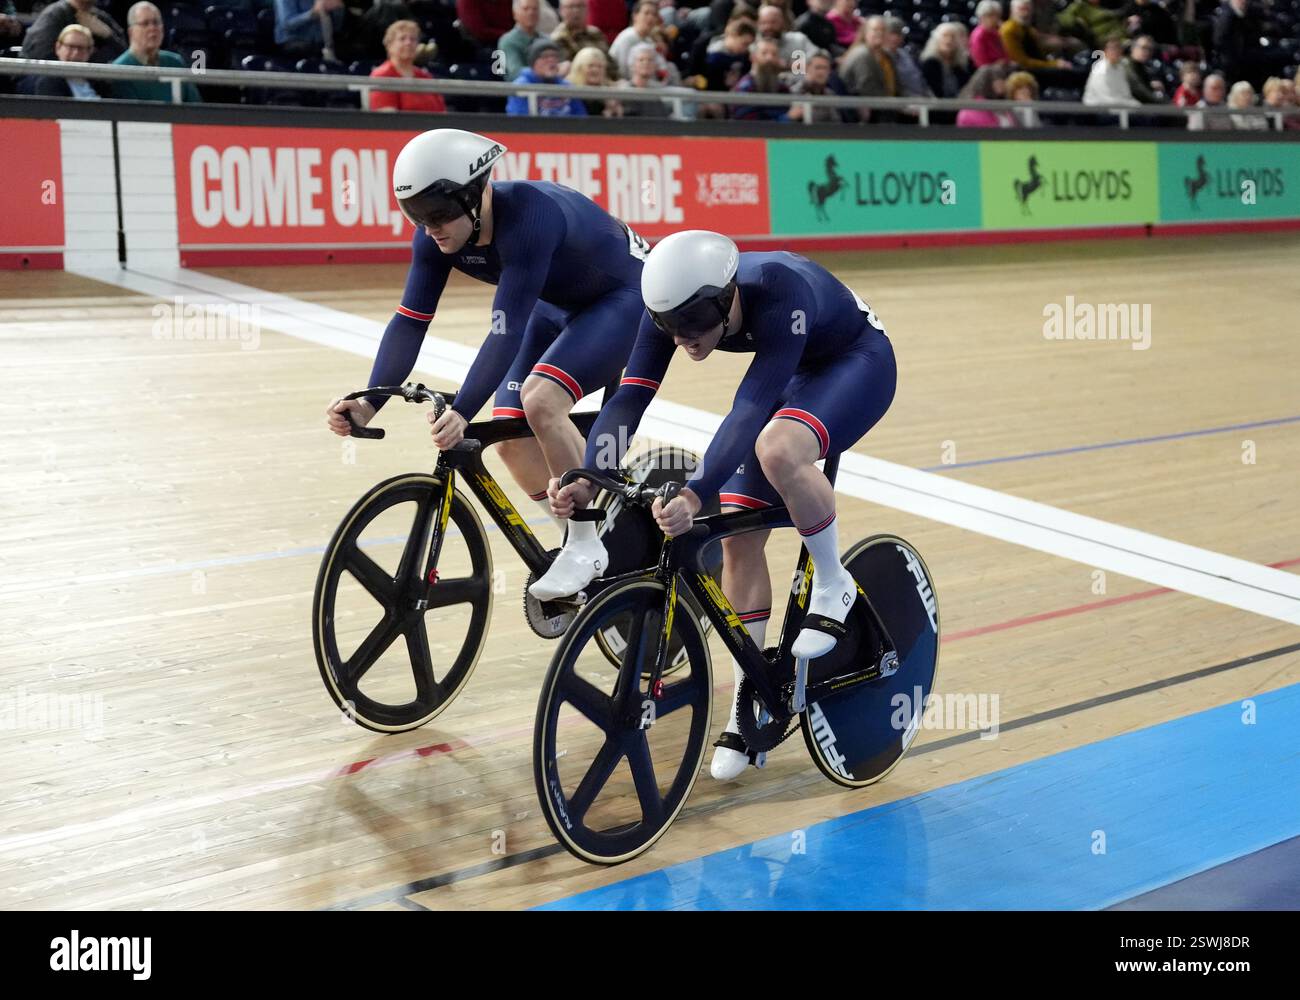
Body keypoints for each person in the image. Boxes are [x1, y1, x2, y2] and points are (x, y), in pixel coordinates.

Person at [543, 231, 897, 780]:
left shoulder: (781, 291)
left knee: (778, 448)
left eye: (696, 320)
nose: (684, 337)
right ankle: (749, 699)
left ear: (728, 293)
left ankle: (833, 580)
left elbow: (751, 405)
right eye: (671, 326)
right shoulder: (666, 307)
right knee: (736, 533)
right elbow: (630, 396)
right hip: (798, 373)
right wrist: (591, 474)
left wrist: (692, 492)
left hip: (858, 363)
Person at [326, 129, 647, 571]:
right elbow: (410, 320)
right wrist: (369, 400)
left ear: (476, 195)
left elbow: (505, 330)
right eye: (415, 215)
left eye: (437, 213)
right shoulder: (435, 237)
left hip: (624, 298)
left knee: (541, 400)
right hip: (555, 304)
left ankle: (588, 544)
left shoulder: (530, 218)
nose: (429, 227)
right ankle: (575, 533)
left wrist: (462, 408)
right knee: (509, 438)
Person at [111, 3, 201, 102]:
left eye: (156, 22)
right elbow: (131, 114)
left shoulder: (175, 62)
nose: (152, 28)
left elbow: (196, 106)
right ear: (131, 32)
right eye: (145, 23)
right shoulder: (119, 70)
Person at [369, 20, 447, 112]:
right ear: (389, 45)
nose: (408, 43)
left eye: (413, 39)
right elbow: (387, 119)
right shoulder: (382, 76)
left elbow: (441, 112)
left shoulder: (425, 77)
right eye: (402, 39)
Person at [21, 0, 126, 63]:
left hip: (87, 82)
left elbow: (126, 54)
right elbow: (40, 57)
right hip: (44, 79)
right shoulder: (54, 15)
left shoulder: (100, 18)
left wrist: (108, 35)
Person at [506, 37, 588, 115]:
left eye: (554, 56)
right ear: (533, 63)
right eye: (545, 56)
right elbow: (519, 122)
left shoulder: (567, 87)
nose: (551, 60)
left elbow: (581, 119)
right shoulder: (521, 86)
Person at [731, 34, 803, 121]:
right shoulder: (745, 88)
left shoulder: (783, 89)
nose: (769, 58)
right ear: (753, 57)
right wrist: (787, 118)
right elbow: (748, 126)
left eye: (774, 54)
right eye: (764, 53)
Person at [34, 23, 105, 99]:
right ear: (58, 47)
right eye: (70, 47)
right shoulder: (48, 83)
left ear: (90, 51)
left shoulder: (99, 81)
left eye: (81, 48)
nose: (76, 53)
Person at [551, 0, 614, 75]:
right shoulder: (558, 38)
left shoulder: (596, 33)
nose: (576, 10)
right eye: (571, 7)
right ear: (561, 10)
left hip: (606, 81)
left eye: (580, 6)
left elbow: (611, 64)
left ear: (587, 9)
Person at [1082, 35, 1140, 110]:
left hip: (1119, 107)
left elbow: (1125, 94)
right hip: (1099, 109)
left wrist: (1136, 105)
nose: (1117, 51)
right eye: (1112, 48)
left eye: (1118, 47)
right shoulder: (1100, 69)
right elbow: (1105, 98)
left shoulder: (1121, 67)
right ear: (1104, 51)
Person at [274, 0, 345, 59]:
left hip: (320, 43)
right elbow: (287, 24)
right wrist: (312, 13)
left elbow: (336, 28)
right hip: (293, 41)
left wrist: (338, 10)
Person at [617, 42, 671, 117]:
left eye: (650, 60)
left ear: (655, 66)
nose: (646, 63)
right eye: (641, 60)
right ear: (632, 65)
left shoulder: (658, 92)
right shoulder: (624, 91)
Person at [566, 44, 621, 115]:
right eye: (590, 66)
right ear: (579, 68)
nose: (595, 70)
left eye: (600, 66)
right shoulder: (568, 91)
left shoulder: (610, 93)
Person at [499, 0, 544, 81]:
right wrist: (544, 71)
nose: (531, 13)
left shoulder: (546, 39)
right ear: (514, 14)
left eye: (535, 9)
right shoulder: (507, 41)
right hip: (519, 90)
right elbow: (515, 73)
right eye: (526, 9)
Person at [969, 0, 1008, 68]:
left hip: (1002, 66)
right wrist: (996, 64)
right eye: (990, 15)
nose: (995, 19)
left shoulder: (997, 33)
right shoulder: (978, 35)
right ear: (981, 17)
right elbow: (981, 63)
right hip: (987, 70)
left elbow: (1006, 54)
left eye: (997, 15)